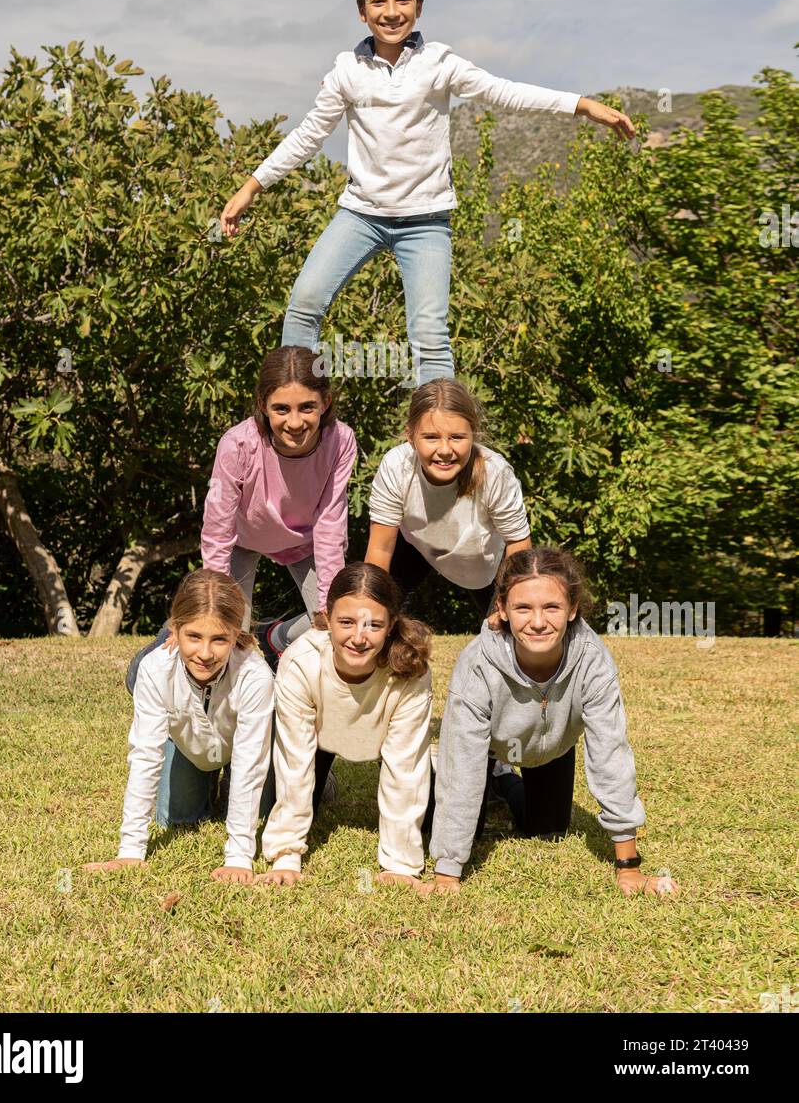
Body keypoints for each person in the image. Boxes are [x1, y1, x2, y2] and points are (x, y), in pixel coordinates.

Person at [219, 0, 635, 385]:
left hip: (426, 221)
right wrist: (251, 187)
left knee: (430, 336)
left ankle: (439, 438)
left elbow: (503, 91)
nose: (392, 12)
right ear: (362, 12)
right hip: (361, 214)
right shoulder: (347, 71)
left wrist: (581, 105)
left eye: (403, 0)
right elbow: (309, 136)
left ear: (419, 6)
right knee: (304, 301)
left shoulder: (439, 63)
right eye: (378, 2)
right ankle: (294, 409)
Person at [429, 546, 679, 898]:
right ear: (501, 608)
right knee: (457, 828)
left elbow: (611, 756)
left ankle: (503, 781)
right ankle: (467, 775)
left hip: (553, 749)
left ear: (572, 608)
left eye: (551, 607)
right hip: (487, 749)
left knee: (546, 833)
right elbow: (462, 773)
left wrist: (629, 868)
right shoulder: (477, 665)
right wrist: (447, 873)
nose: (537, 621)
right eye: (523, 608)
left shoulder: (592, 660)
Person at [126, 345, 357, 682]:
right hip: (241, 539)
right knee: (227, 634)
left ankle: (277, 638)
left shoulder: (341, 441)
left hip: (305, 540)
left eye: (307, 407)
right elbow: (218, 529)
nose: (295, 422)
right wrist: (213, 605)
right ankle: (157, 653)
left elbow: (330, 522)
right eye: (281, 409)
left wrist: (326, 601)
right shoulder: (238, 444)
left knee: (340, 620)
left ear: (326, 402)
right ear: (263, 404)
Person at [82, 569, 274, 882]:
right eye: (194, 637)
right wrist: (130, 851)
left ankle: (322, 783)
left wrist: (239, 857)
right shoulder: (156, 669)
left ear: (236, 635)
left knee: (264, 813)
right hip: (192, 742)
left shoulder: (255, 675)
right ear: (175, 629)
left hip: (246, 743)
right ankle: (206, 778)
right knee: (177, 818)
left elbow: (250, 765)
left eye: (220, 639)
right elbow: (145, 756)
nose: (205, 653)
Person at [257, 562, 433, 889]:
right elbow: (294, 761)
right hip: (320, 740)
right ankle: (325, 783)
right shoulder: (300, 661)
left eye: (373, 625)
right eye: (346, 622)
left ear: (392, 625)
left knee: (434, 822)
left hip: (383, 742)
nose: (358, 638)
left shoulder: (411, 671)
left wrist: (400, 865)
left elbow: (405, 767)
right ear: (326, 619)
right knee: (269, 807)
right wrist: (286, 856)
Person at [365, 378, 531, 623]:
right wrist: (370, 611)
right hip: (417, 545)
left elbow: (518, 543)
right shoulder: (395, 466)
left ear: (473, 435)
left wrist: (507, 604)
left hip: (482, 561)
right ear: (410, 436)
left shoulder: (495, 472)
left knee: (507, 629)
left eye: (457, 437)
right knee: (373, 610)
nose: (444, 450)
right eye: (431, 437)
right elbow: (380, 549)